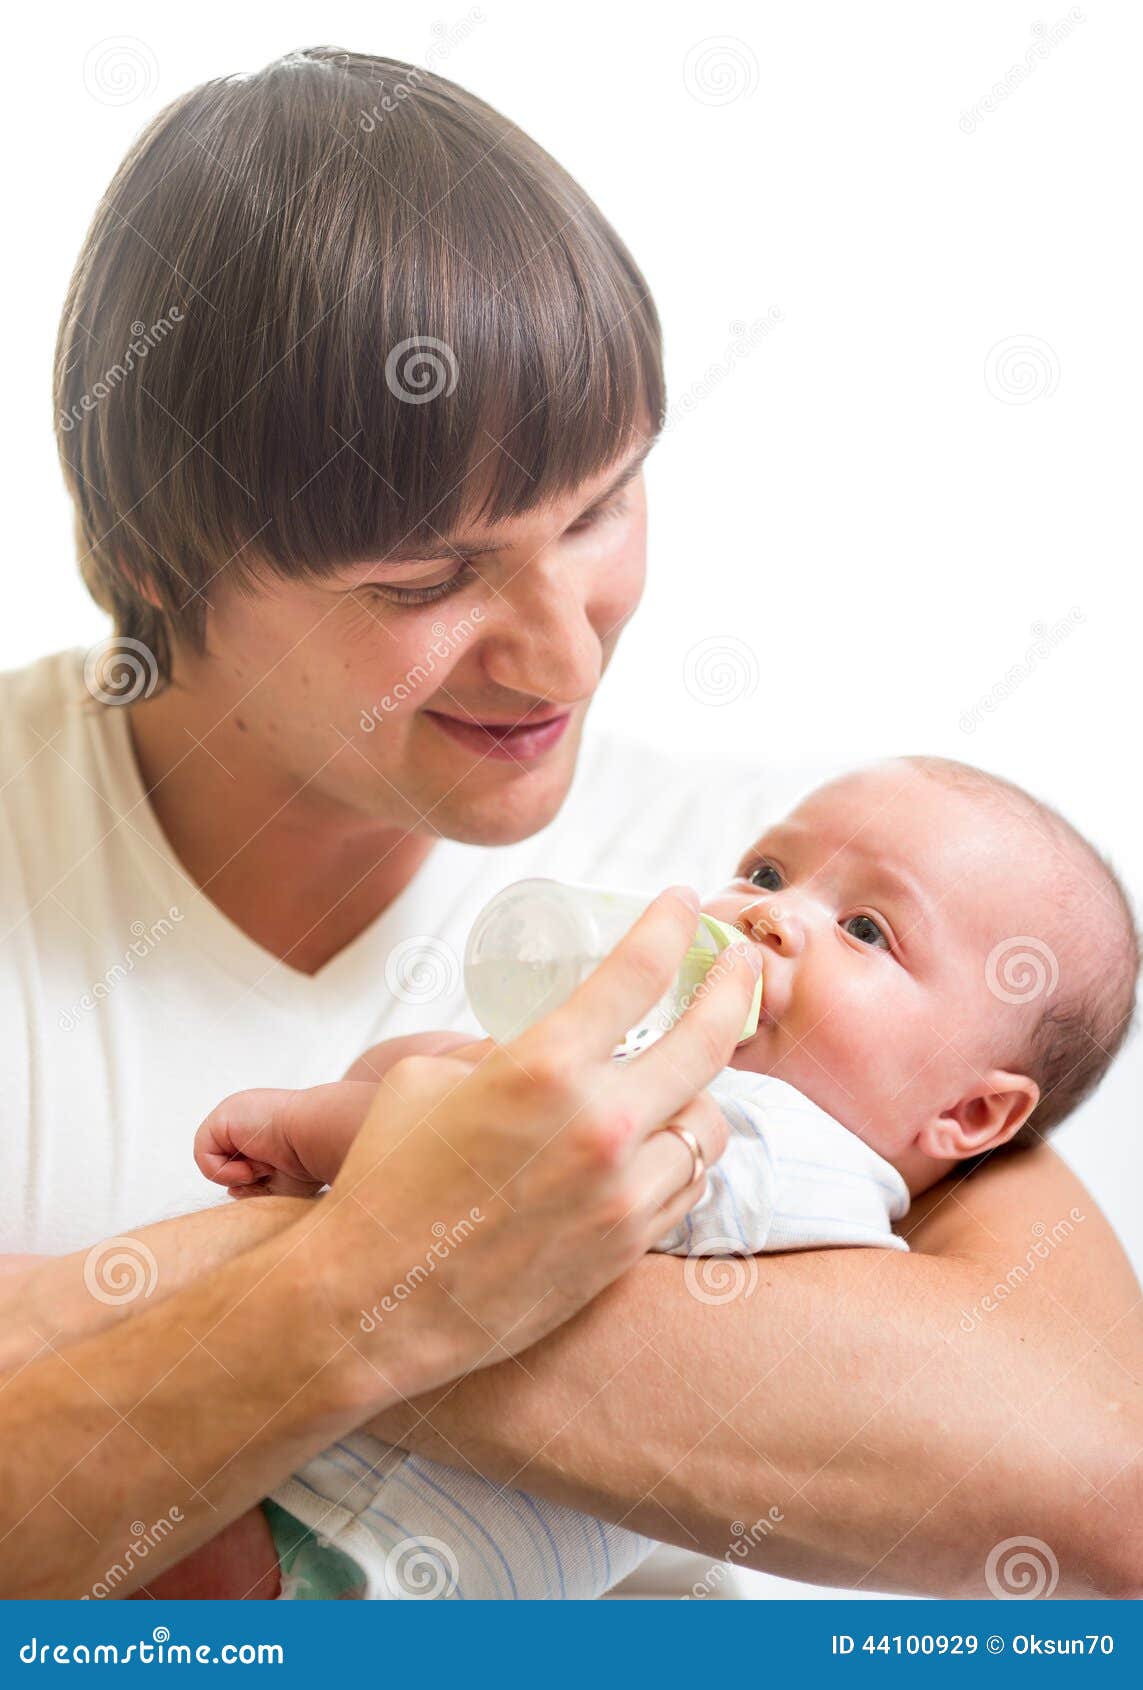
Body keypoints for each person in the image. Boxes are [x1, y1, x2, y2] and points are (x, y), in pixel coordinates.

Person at [1, 47, 1140, 1601]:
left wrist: (289, 1277)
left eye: (597, 508)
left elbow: (1088, 1477)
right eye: (422, 582)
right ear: (156, 560)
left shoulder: (804, 885)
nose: (563, 655)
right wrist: (405, 1272)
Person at [182, 754, 1139, 1598]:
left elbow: (484, 1165)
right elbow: (457, 1125)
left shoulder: (796, 1154)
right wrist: (457, 1062)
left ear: (970, 1115)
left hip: (337, 1542)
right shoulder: (672, 1079)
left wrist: (311, 1128)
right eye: (766, 872)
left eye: (866, 931)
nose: (771, 916)